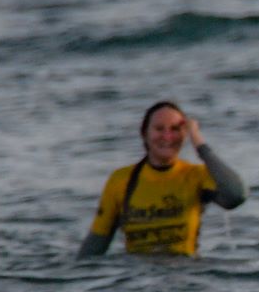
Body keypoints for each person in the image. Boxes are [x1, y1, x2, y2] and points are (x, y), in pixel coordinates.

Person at [78, 101, 248, 258]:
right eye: (159, 129)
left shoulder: (197, 176)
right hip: (136, 279)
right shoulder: (120, 180)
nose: (167, 137)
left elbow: (236, 195)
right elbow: (93, 249)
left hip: (186, 274)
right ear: (144, 134)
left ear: (185, 134)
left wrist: (199, 144)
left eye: (175, 129)